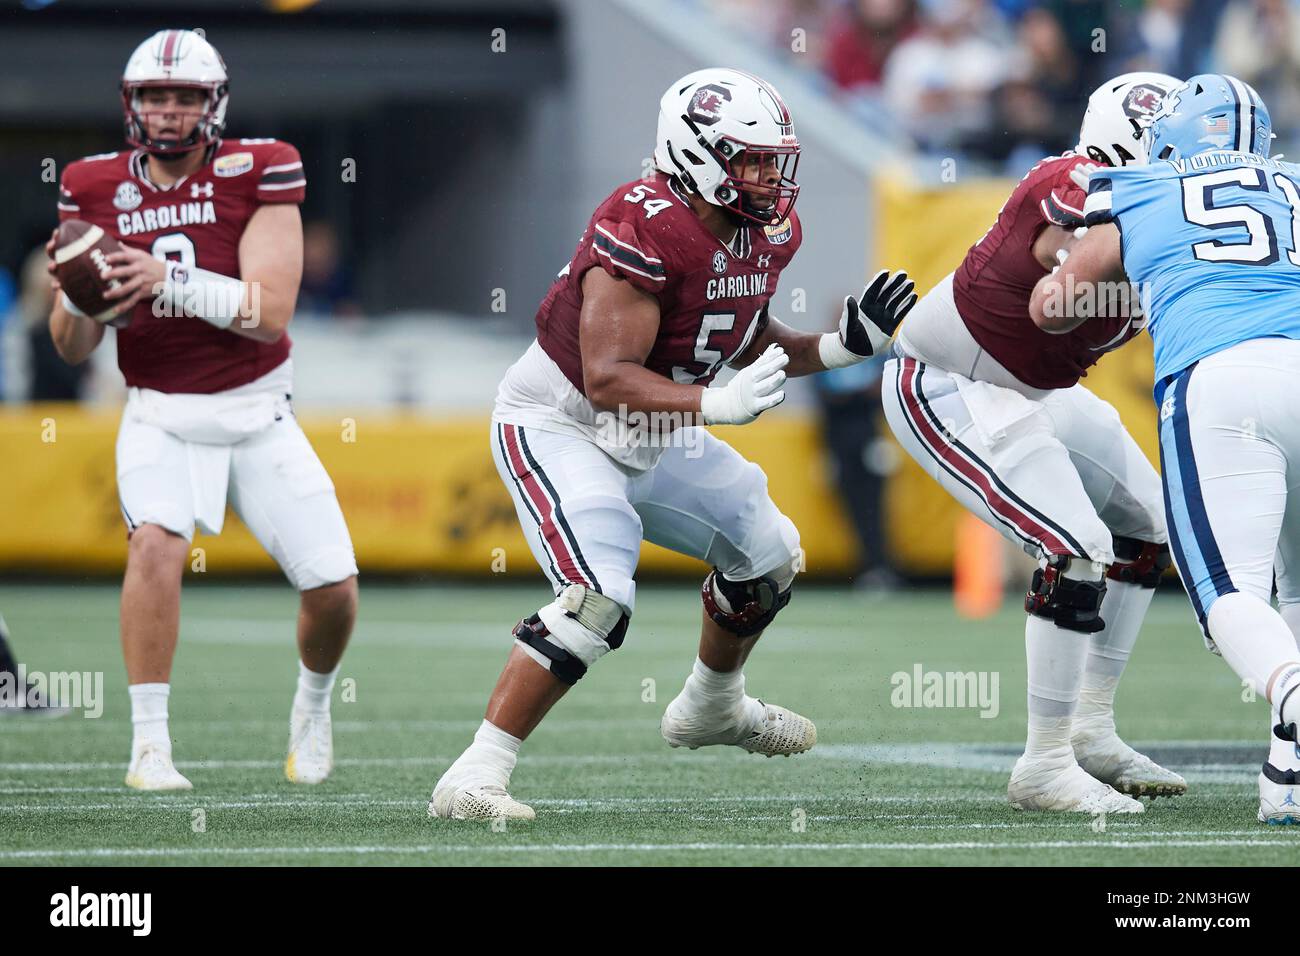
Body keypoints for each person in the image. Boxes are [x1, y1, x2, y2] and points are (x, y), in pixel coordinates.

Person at [428, 68, 915, 821]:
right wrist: (713, 402)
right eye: (746, 158)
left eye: (771, 159)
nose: (766, 177)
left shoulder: (765, 229)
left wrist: (844, 347)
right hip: (564, 426)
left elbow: (744, 336)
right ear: (693, 154)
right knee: (597, 601)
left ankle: (713, 707)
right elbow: (606, 378)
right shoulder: (642, 222)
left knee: (770, 556)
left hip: (662, 425)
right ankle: (473, 774)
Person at [48, 29, 358, 791]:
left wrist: (160, 279)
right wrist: (87, 300)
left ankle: (313, 707)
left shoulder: (262, 166)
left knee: (334, 589)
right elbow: (70, 347)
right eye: (156, 95)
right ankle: (149, 745)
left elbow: (270, 311)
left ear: (212, 104)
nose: (169, 110)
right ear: (132, 104)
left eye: (185, 96)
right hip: (159, 411)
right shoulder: (92, 185)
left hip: (257, 409)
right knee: (153, 545)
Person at [881, 73, 1187, 814]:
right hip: (951, 386)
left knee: (1148, 524)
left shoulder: (1166, 213)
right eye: (1181, 146)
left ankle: (1090, 728)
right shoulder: (1073, 182)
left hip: (1036, 391)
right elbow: (1067, 245)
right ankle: (1044, 762)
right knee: (1073, 544)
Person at [1032, 74, 1300, 824]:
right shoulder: (1294, 180)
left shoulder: (1138, 184)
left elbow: (1054, 308)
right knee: (1298, 582)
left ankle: (1295, 701)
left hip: (1223, 377)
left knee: (1228, 595)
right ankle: (1289, 769)